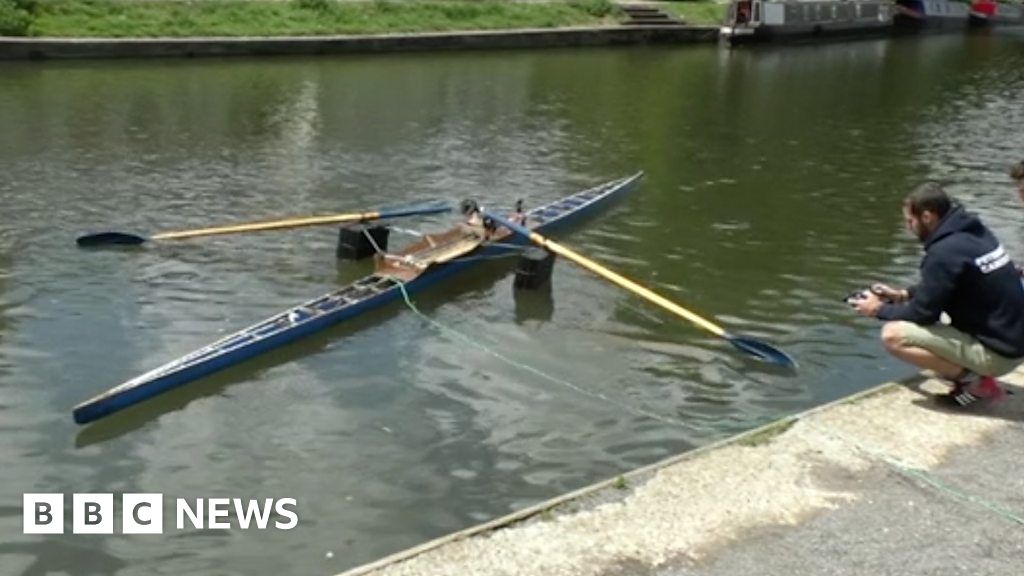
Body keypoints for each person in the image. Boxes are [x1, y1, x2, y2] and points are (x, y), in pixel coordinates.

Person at [850, 182, 1024, 406]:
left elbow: (923, 313)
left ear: (927, 216)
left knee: (893, 335)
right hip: (1014, 341)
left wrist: (877, 309)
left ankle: (977, 383)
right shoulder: (973, 232)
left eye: (910, 221)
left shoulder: (944, 252)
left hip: (1000, 355)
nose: (908, 227)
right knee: (931, 322)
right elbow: (948, 284)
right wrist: (902, 294)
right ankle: (973, 372)